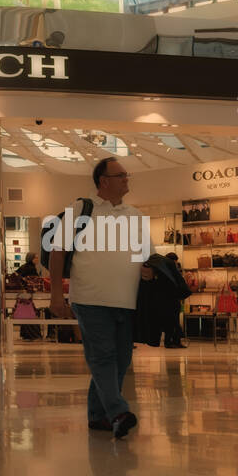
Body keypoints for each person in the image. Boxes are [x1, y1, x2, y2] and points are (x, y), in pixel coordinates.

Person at [49, 158, 153, 438]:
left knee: (122, 359)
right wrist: (57, 294)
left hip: (127, 300)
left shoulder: (136, 215)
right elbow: (57, 251)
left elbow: (146, 257)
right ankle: (118, 411)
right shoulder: (82, 209)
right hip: (90, 298)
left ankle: (98, 416)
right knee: (103, 357)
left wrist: (149, 271)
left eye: (127, 175)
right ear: (103, 181)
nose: (127, 179)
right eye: (121, 175)